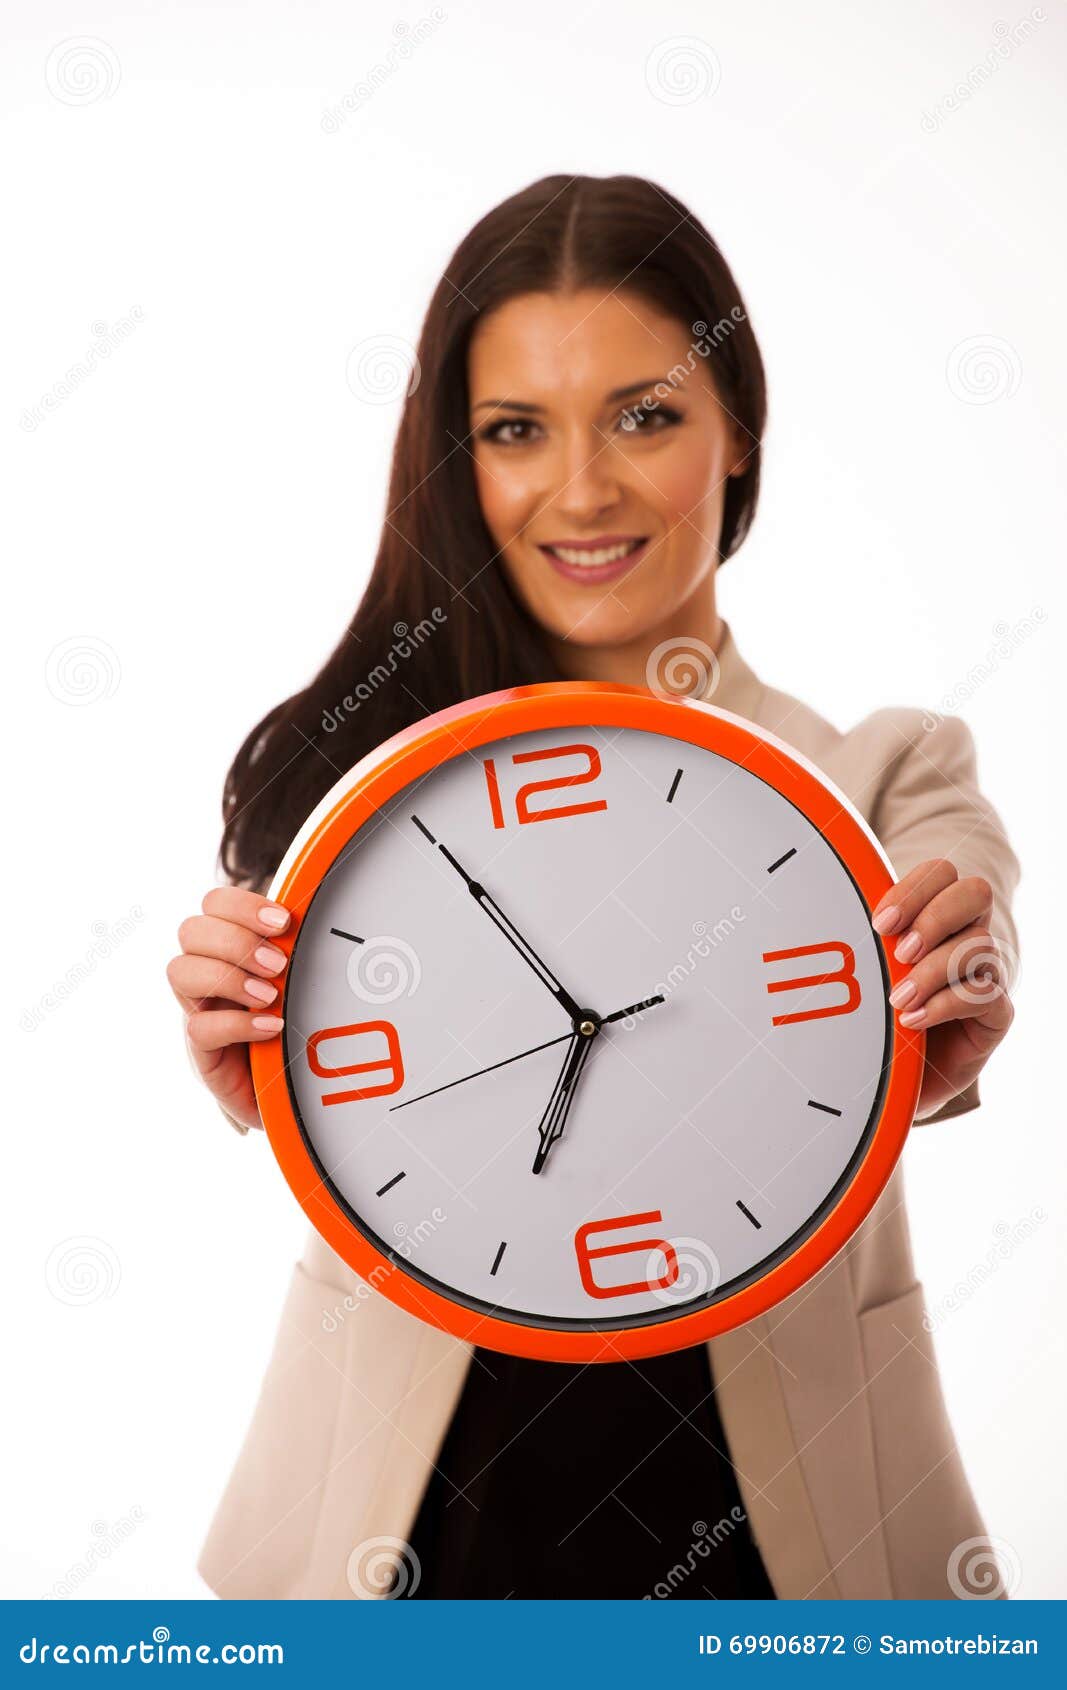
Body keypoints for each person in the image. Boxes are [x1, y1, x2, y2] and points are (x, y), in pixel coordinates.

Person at [167, 175, 1020, 1601]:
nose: (581, 490)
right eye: (516, 430)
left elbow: (966, 903)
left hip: (778, 1529)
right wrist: (262, 1069)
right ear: (463, 461)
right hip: (412, 1515)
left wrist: (956, 986)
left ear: (739, 429)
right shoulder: (360, 796)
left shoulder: (880, 779)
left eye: (645, 414)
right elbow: (360, 1121)